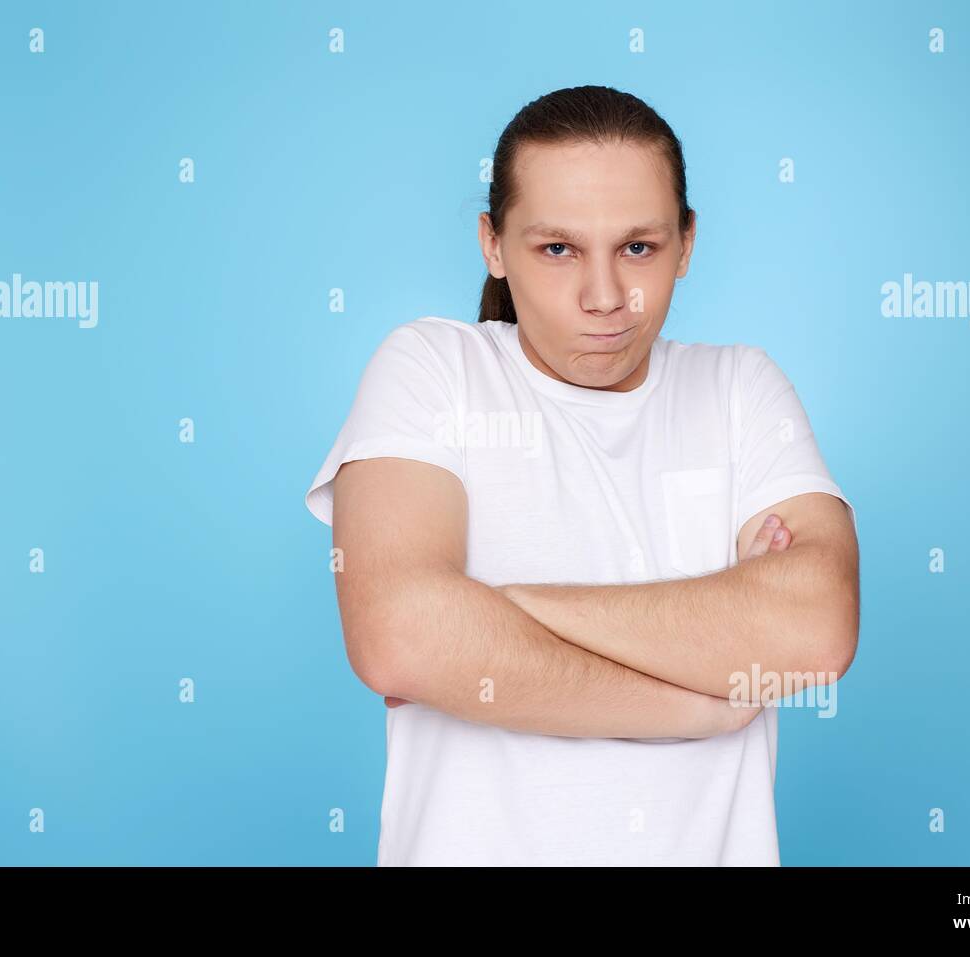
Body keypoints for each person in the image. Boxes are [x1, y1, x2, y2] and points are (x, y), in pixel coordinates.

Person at [304, 85, 860, 866]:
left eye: (638, 247)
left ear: (688, 243)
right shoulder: (433, 369)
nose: (605, 297)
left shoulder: (739, 388)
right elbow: (399, 634)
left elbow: (814, 628)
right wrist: (692, 702)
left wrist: (506, 604)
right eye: (557, 248)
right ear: (493, 244)